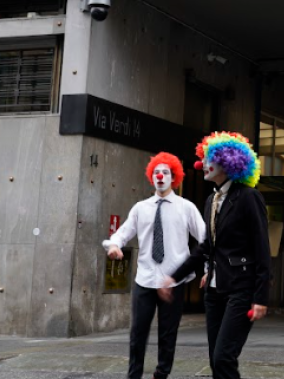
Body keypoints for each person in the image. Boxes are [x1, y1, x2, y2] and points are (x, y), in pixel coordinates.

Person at [161, 132, 271, 379]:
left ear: (228, 162)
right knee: (215, 359)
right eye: (204, 158)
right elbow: (206, 247)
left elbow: (262, 248)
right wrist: (173, 276)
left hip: (241, 288)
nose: (203, 165)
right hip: (214, 291)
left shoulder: (249, 197)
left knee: (224, 357)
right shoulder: (212, 199)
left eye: (210, 159)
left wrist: (261, 296)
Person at [103, 152, 206, 379]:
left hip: (174, 280)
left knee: (168, 334)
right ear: (152, 177)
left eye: (166, 172)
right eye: (157, 172)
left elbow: (206, 239)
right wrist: (114, 245)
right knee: (138, 333)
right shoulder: (141, 208)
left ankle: (161, 374)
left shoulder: (186, 207)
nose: (161, 176)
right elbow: (124, 232)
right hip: (146, 279)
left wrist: (208, 269)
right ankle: (134, 375)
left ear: (174, 177)